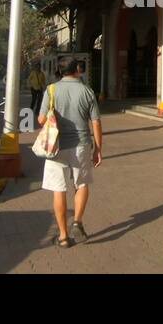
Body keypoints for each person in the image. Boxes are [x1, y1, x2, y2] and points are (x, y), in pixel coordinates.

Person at [37, 56, 103, 248]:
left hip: (56, 147)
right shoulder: (87, 91)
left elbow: (41, 120)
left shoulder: (51, 89)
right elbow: (96, 122)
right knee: (81, 185)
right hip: (81, 145)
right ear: (78, 70)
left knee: (59, 189)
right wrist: (98, 148)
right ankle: (77, 222)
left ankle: (63, 236)